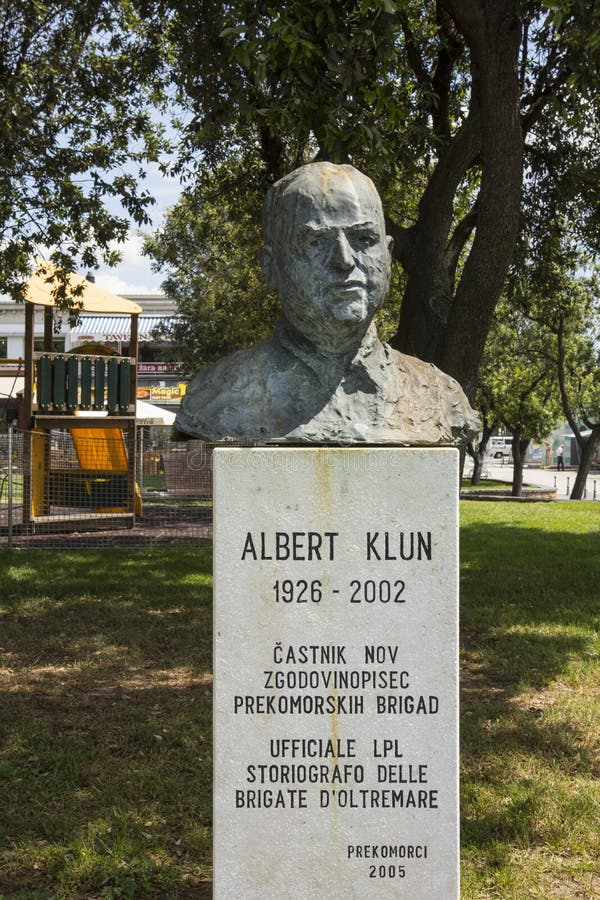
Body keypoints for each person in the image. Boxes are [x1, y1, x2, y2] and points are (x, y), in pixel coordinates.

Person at [175, 162, 480, 445]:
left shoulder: (440, 397)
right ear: (271, 267)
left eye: (363, 238)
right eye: (316, 242)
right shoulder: (217, 397)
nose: (344, 260)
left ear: (387, 257)